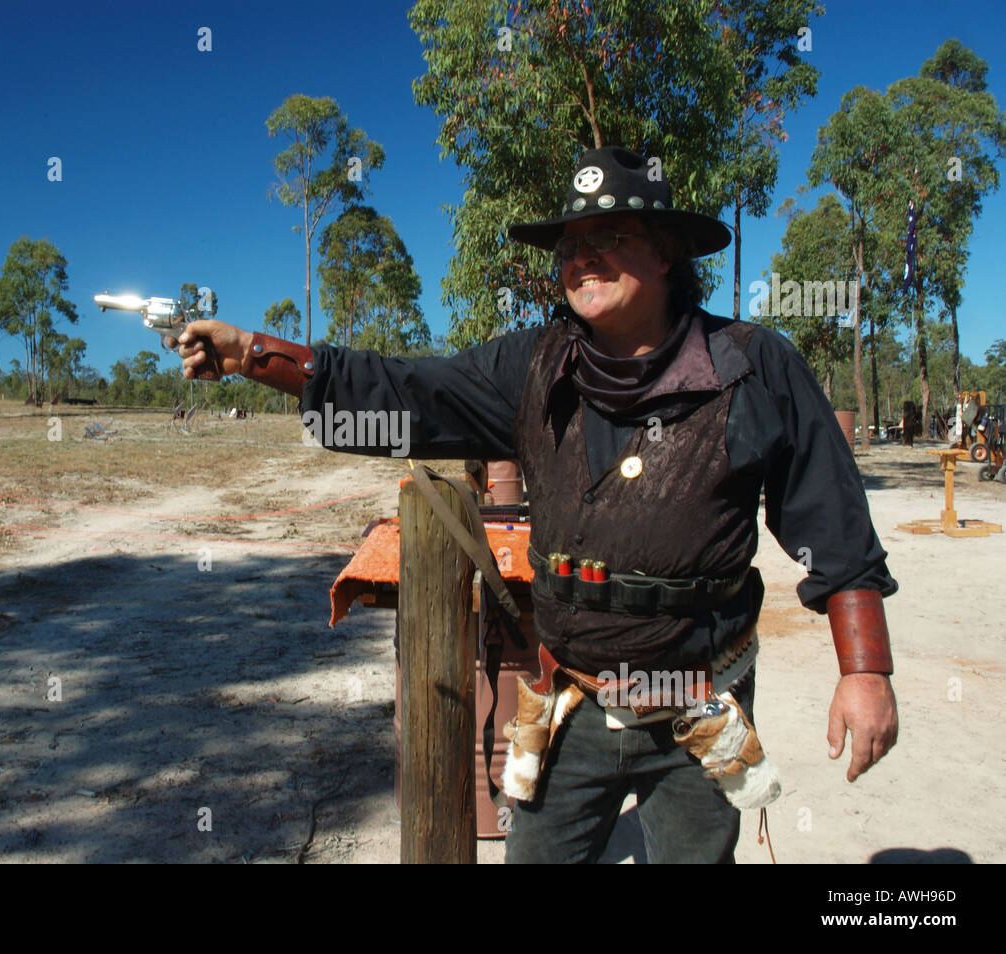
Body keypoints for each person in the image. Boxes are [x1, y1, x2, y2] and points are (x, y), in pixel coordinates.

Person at [170, 146, 899, 864]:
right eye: (569, 245)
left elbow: (830, 521)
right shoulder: (532, 366)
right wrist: (251, 356)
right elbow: (406, 394)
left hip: (699, 700)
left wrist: (865, 670)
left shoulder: (752, 367)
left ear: (669, 252)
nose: (582, 258)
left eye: (609, 238)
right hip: (571, 698)